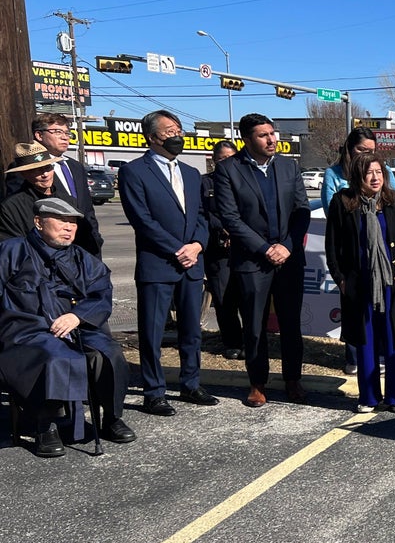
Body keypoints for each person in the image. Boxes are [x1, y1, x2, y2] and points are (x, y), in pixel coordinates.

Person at [0, 196, 136, 457]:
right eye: (61, 220)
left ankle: (111, 418)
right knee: (55, 357)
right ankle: (46, 425)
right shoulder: (11, 251)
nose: (69, 227)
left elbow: (100, 294)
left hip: (76, 327)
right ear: (38, 222)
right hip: (27, 331)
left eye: (73, 222)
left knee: (108, 353)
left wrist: (77, 316)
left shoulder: (82, 258)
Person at [118, 110, 218, 416]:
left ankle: (190, 383)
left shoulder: (190, 173)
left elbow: (202, 215)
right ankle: (154, 391)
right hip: (158, 264)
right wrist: (178, 249)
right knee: (152, 332)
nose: (177, 135)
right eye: (170, 130)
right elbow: (142, 220)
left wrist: (198, 245)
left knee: (192, 329)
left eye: (179, 130)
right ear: (152, 137)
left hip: (192, 263)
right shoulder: (134, 172)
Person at [213, 113, 311, 408]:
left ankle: (293, 378)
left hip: (289, 260)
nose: (271, 139)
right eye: (263, 135)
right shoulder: (229, 170)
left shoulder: (288, 166)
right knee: (254, 326)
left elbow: (302, 211)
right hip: (252, 262)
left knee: (291, 324)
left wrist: (287, 247)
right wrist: (265, 249)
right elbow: (230, 217)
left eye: (273, 133)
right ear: (247, 139)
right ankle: (257, 383)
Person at [324, 151, 395, 413]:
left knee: (394, 340)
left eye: (379, 172)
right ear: (357, 176)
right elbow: (333, 246)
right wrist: (341, 280)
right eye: (369, 173)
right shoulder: (343, 202)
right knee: (364, 340)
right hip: (359, 284)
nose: (375, 178)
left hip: (392, 282)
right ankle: (368, 397)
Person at [321, 126, 395, 376]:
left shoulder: (383, 172)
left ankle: (384, 355)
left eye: (372, 151)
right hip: (352, 252)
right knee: (355, 310)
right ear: (348, 149)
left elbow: (394, 201)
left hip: (381, 254)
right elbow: (332, 212)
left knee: (383, 308)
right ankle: (354, 357)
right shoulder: (334, 174)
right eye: (361, 150)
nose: (366, 155)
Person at [4, 113, 104, 256]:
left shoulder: (76, 166)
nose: (65, 137)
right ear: (39, 135)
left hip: (84, 250)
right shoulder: (23, 170)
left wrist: (95, 240)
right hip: (44, 252)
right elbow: (20, 213)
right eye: (57, 132)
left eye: (67, 132)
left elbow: (87, 210)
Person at [202, 139, 244, 359]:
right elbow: (202, 214)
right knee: (224, 298)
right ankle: (232, 342)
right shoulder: (205, 184)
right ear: (214, 161)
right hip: (218, 251)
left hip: (244, 248)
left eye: (231, 158)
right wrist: (222, 228)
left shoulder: (245, 180)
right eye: (222, 159)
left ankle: (250, 341)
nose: (226, 162)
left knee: (247, 298)